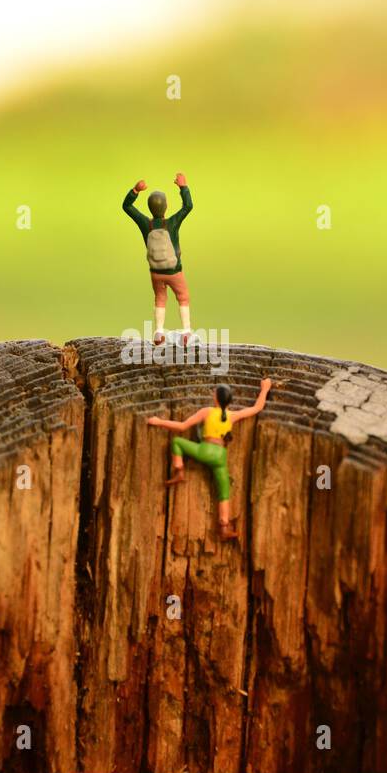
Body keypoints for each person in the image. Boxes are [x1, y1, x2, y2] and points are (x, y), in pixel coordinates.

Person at [146, 378, 272, 540]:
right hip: (220, 456)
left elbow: (182, 426)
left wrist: (158, 421)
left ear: (216, 398)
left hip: (205, 450)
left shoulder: (207, 412)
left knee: (177, 442)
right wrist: (265, 389)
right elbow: (257, 407)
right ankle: (224, 526)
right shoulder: (232, 416)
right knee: (224, 492)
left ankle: (179, 470)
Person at [122, 173, 193, 345]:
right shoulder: (172, 223)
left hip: (155, 272)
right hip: (174, 271)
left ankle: (159, 332)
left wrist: (135, 190)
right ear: (166, 207)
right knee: (183, 297)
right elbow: (188, 206)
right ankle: (186, 332)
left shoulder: (146, 224)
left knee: (160, 298)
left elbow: (127, 207)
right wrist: (183, 187)